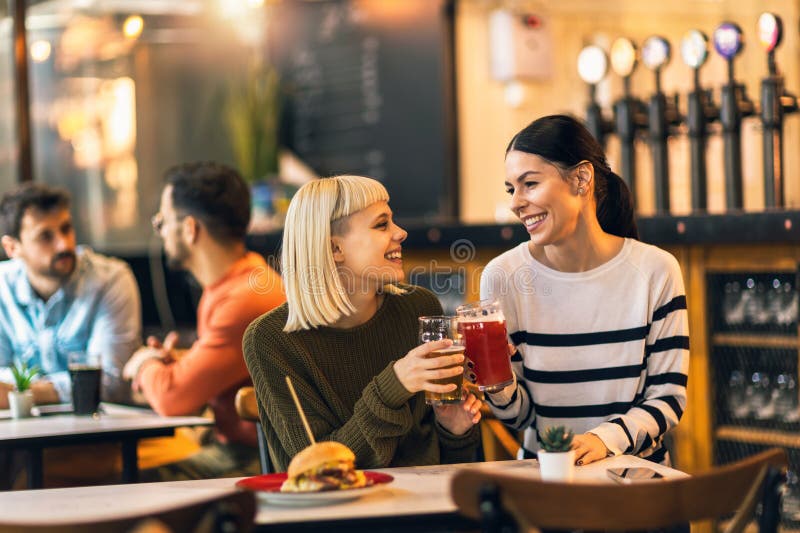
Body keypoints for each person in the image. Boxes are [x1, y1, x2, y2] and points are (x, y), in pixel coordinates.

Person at [481, 115, 689, 466]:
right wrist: (497, 380)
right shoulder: (503, 277)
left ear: (581, 178)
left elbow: (667, 399)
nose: (516, 202)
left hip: (637, 486)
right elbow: (520, 417)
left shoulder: (656, 271)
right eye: (510, 189)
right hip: (546, 486)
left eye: (529, 184)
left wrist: (602, 440)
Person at [243, 175, 482, 472]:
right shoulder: (270, 340)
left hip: (424, 506)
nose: (401, 233)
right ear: (334, 249)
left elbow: (450, 468)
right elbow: (317, 472)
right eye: (382, 224)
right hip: (337, 515)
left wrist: (454, 430)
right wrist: (393, 386)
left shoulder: (418, 309)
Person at [123, 162, 285, 480]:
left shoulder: (246, 298)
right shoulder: (234, 283)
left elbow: (173, 398)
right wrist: (176, 364)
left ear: (190, 229)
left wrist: (144, 362)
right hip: (238, 446)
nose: (161, 233)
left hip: (260, 457)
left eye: (162, 222)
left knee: (129, 483)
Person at [0, 182, 141, 407]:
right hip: (21, 433)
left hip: (98, 433)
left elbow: (108, 382)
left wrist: (20, 392)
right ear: (12, 248)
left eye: (66, 229)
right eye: (45, 236)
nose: (63, 245)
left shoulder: (110, 279)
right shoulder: (2, 287)